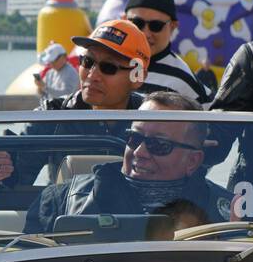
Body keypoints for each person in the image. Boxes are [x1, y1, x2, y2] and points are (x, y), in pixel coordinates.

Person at [23, 92, 231, 234]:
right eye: (134, 138)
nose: (140, 152)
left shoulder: (227, 214)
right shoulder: (60, 202)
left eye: (158, 144)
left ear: (193, 161)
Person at [0, 19, 149, 188]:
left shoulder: (155, 121)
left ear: (137, 76)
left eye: (109, 67)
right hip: (63, 213)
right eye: (88, 62)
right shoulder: (53, 114)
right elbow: (11, 182)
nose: (92, 76)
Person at [124, 0, 209, 104]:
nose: (145, 33)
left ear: (173, 27)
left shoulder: (183, 79)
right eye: (137, 23)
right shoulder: (105, 63)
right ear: (124, 20)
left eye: (156, 25)